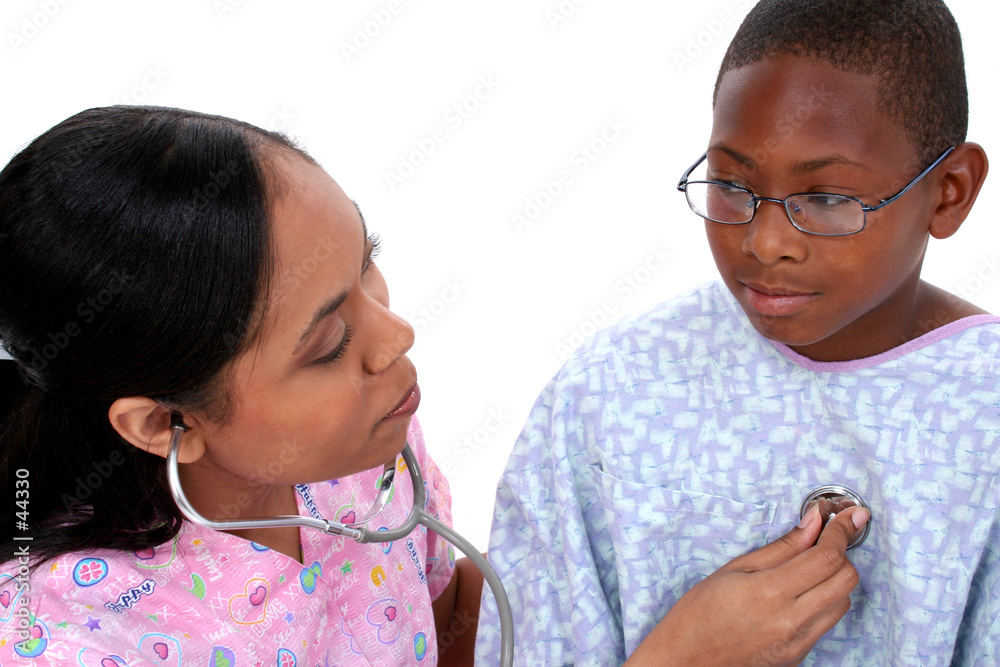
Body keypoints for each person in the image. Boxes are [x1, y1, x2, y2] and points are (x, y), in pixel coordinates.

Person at [0, 106, 863, 665]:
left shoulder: (356, 457)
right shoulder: (70, 642)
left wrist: (641, 569)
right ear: (163, 423)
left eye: (365, 264)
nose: (395, 336)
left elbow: (441, 621)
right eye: (328, 344)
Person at [476, 0, 998, 664]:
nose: (765, 241)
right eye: (731, 184)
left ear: (949, 190)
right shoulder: (610, 392)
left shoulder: (984, 414)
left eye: (827, 198)